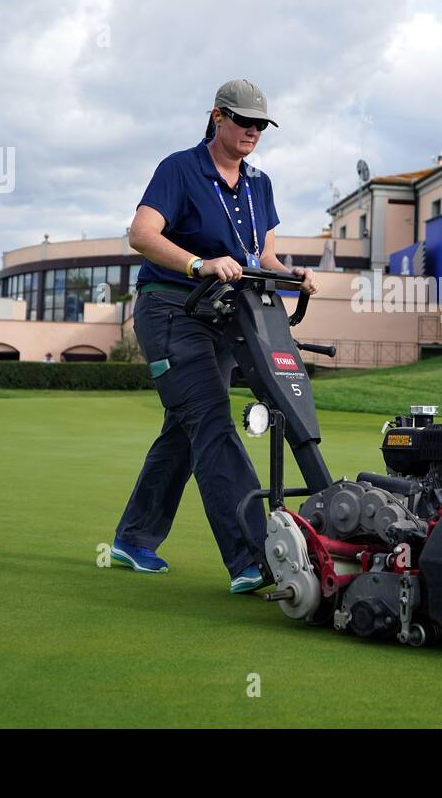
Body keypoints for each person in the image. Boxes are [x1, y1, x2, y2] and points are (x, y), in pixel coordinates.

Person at [111, 78, 318, 594]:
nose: (252, 132)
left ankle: (133, 537)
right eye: (243, 121)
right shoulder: (180, 169)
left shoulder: (260, 184)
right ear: (217, 117)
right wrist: (198, 263)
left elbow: (261, 256)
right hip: (171, 311)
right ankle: (255, 557)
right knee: (210, 420)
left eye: (260, 125)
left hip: (232, 316)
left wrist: (293, 274)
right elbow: (141, 234)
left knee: (186, 427)